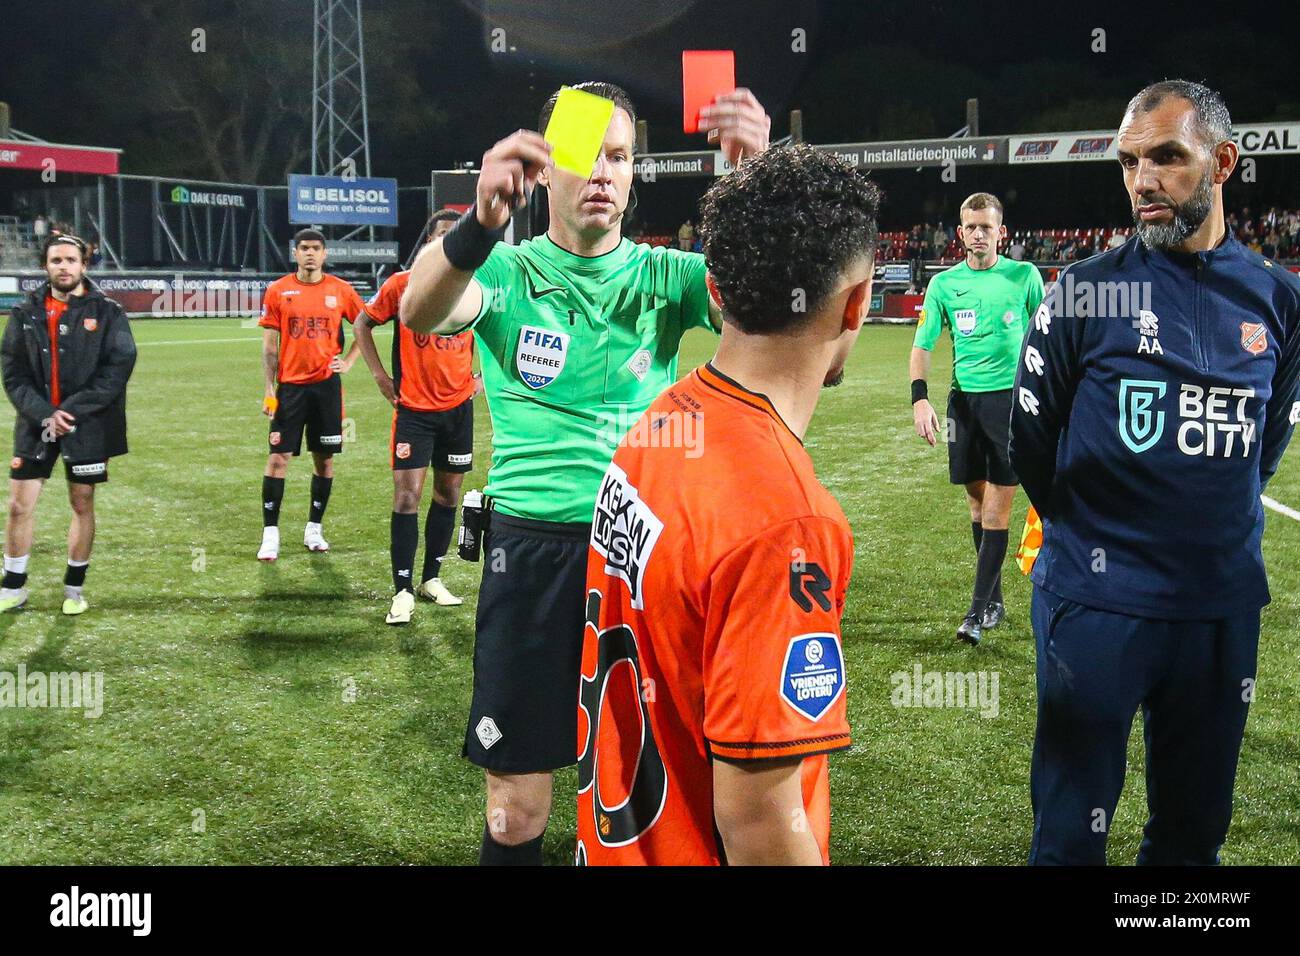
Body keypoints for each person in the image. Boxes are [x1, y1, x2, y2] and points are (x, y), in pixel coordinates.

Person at [400, 80, 770, 865]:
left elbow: (770, 313)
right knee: (513, 809)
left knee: (646, 802)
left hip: (640, 554)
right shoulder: (506, 272)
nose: (604, 171)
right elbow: (422, 310)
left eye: (621, 156)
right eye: (585, 154)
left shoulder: (665, 277)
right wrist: (479, 221)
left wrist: (750, 183)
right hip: (529, 553)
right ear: (544, 170)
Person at [1010, 80, 1300, 865]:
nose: (1143, 180)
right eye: (1129, 161)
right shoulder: (1084, 292)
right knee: (1070, 836)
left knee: (1192, 838)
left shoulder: (1280, 300)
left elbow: (1261, 447)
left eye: (1168, 157)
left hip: (1219, 610)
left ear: (1224, 161)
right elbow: (1030, 442)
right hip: (1096, 603)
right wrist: (1095, 541)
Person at [577, 144, 877, 866]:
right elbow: (762, 827)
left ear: (714, 290)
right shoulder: (787, 522)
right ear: (858, 303)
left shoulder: (657, 423)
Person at [910, 192, 1044, 644]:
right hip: (963, 405)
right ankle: (997, 600)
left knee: (996, 509)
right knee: (975, 501)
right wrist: (919, 399)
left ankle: (975, 612)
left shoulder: (1024, 276)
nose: (979, 234)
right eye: (971, 227)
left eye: (987, 226)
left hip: (1009, 404)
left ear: (1001, 231)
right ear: (961, 233)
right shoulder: (944, 285)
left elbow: (1046, 339)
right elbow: (923, 345)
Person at [353, 210, 481, 624]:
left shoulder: (476, 286)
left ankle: (432, 578)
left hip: (459, 410)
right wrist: (378, 376)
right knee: (406, 497)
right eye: (443, 235)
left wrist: (481, 380)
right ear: (430, 241)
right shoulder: (401, 285)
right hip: (414, 412)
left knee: (448, 497)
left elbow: (500, 333)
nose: (450, 243)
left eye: (455, 235)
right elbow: (362, 322)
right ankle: (402, 590)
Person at [0, 234, 137, 615]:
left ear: (84, 265)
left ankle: (74, 588)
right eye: (56, 260)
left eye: (70, 260)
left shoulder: (108, 311)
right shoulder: (25, 312)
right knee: (17, 505)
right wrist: (45, 413)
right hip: (36, 422)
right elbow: (13, 374)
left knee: (82, 501)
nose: (63, 266)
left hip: (89, 423)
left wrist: (70, 411)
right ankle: (13, 586)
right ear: (46, 266)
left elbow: (118, 368)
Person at [256, 228, 364, 561]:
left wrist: (347, 362)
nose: (310, 254)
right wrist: (269, 389)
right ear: (295, 252)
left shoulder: (341, 291)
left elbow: (364, 325)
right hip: (289, 390)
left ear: (325, 254)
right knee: (277, 459)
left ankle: (314, 528)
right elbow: (269, 347)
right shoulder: (278, 290)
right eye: (304, 248)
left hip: (326, 389)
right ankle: (270, 534)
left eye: (316, 248)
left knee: (324, 459)